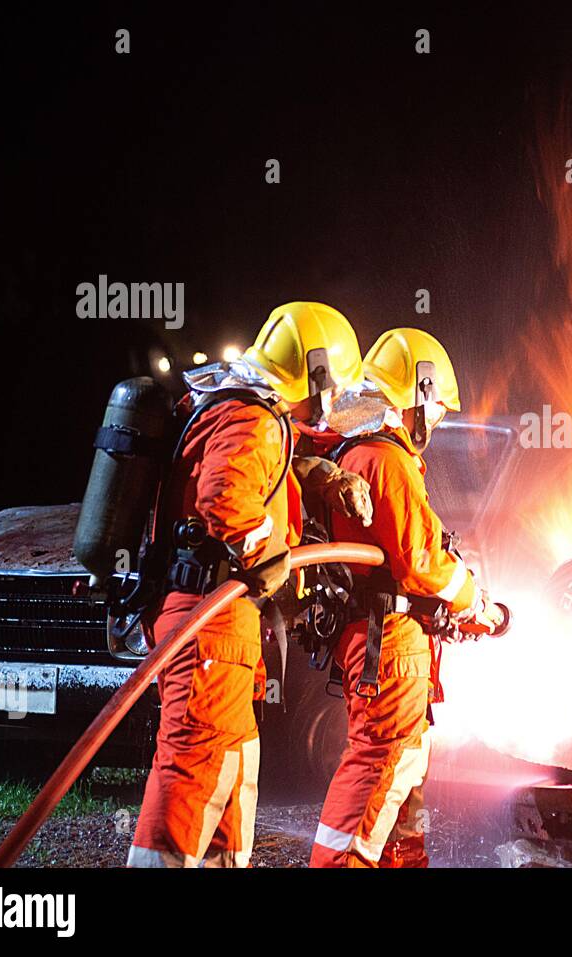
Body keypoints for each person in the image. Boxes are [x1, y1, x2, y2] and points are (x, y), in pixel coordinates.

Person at [128, 301, 370, 867]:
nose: (333, 400)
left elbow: (281, 461)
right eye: (333, 384)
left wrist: (326, 476)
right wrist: (269, 551)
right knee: (192, 768)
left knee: (231, 772)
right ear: (316, 374)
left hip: (220, 621)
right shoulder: (253, 419)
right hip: (209, 619)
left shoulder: (244, 410)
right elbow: (224, 499)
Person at [310, 328, 505, 868]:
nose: (439, 418)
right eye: (438, 405)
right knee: (381, 766)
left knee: (402, 774)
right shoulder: (383, 458)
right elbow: (420, 562)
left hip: (382, 638)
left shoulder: (355, 449)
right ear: (418, 392)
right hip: (388, 645)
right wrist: (474, 603)